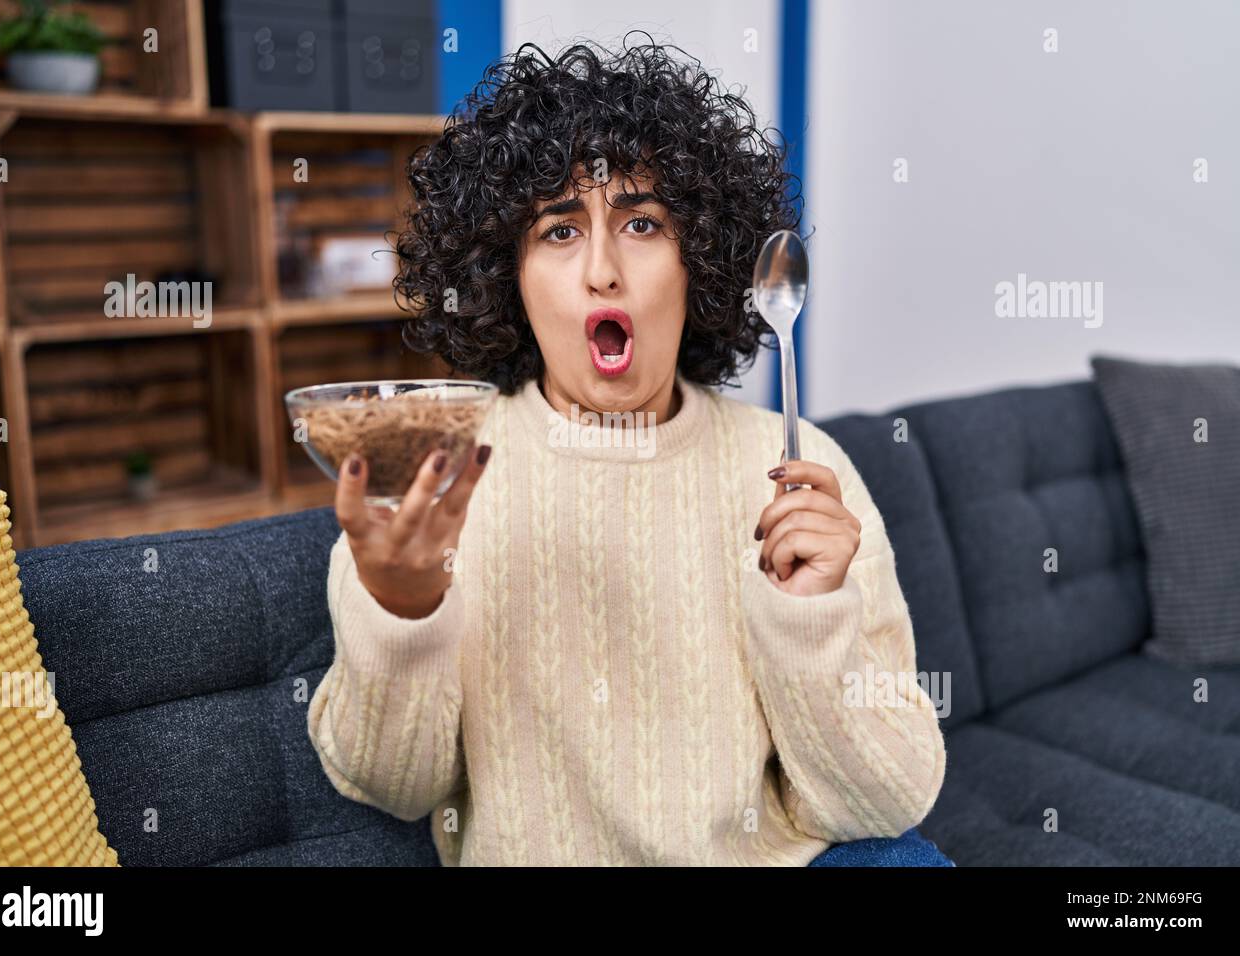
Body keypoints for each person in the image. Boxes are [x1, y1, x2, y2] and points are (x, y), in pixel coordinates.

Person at [306, 34, 951, 867]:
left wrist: (808, 622)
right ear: (508, 274)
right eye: (559, 230)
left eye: (643, 223)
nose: (603, 271)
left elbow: (889, 801)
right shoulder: (434, 474)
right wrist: (402, 611)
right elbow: (394, 788)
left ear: (701, 263)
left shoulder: (797, 465)